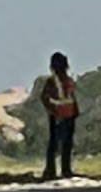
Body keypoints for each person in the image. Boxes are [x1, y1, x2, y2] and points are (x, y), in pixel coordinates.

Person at [35, 51, 82, 181]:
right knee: (55, 144)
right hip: (58, 115)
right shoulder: (52, 81)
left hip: (69, 114)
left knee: (67, 144)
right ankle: (51, 171)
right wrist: (53, 110)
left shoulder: (69, 80)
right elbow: (45, 98)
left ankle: (65, 170)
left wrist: (75, 112)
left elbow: (72, 97)